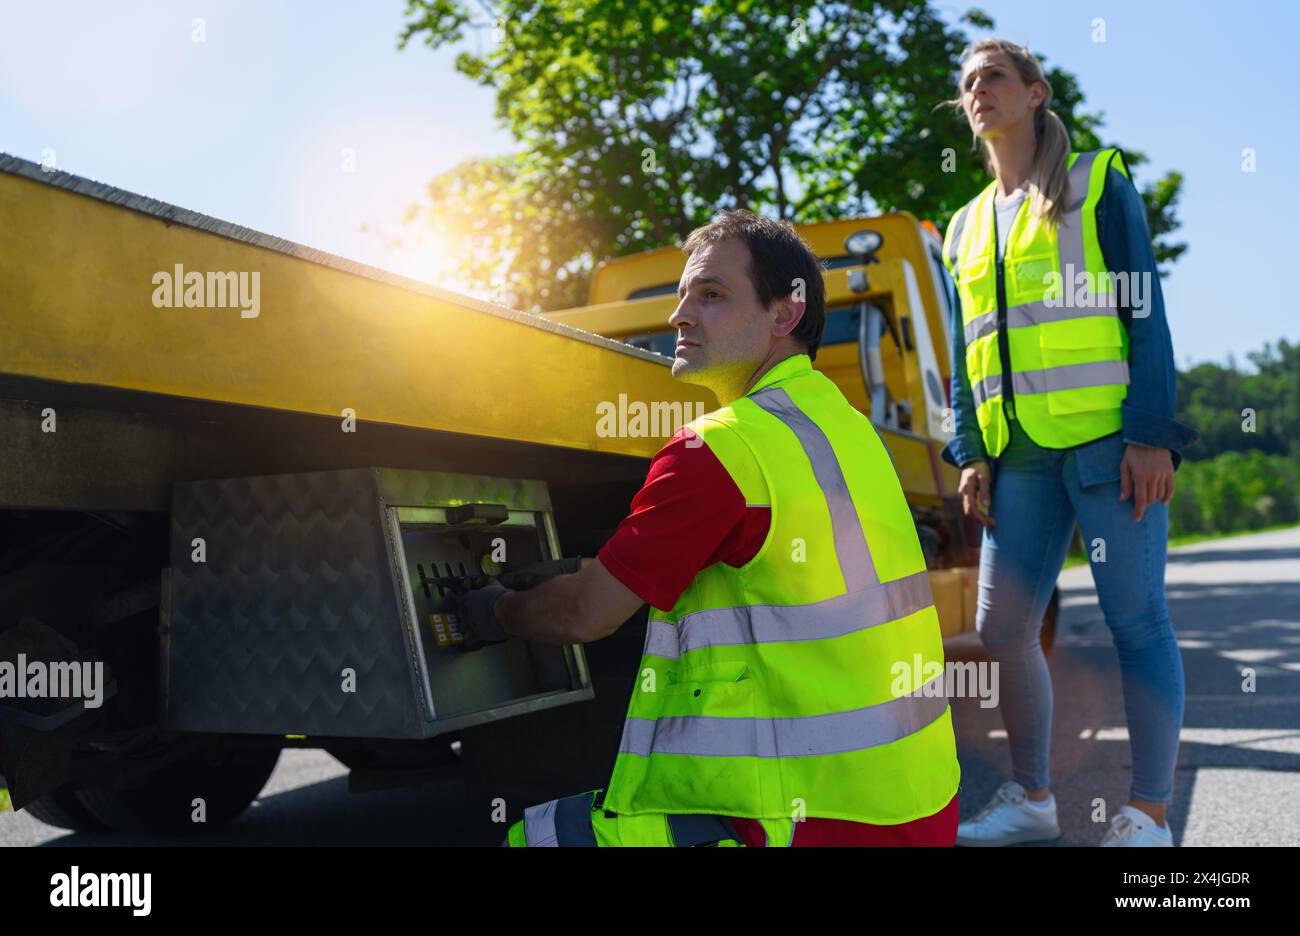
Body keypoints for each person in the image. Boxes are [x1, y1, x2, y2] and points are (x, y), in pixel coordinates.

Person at [452, 210, 961, 846]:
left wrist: (496, 611)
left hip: (806, 824)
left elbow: (585, 617)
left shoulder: (720, 449)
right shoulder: (851, 430)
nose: (679, 316)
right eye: (683, 294)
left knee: (537, 837)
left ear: (784, 314)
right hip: (919, 809)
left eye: (711, 294)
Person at [939, 39, 1199, 847]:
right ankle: (1033, 799)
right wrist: (969, 448)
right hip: (1015, 460)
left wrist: (1153, 435)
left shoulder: (1095, 184)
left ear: (1035, 92)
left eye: (995, 77)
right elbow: (965, 345)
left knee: (1137, 622)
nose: (979, 91)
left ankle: (1149, 813)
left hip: (1107, 446)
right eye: (969, 83)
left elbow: (1144, 313)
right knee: (1005, 632)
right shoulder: (964, 224)